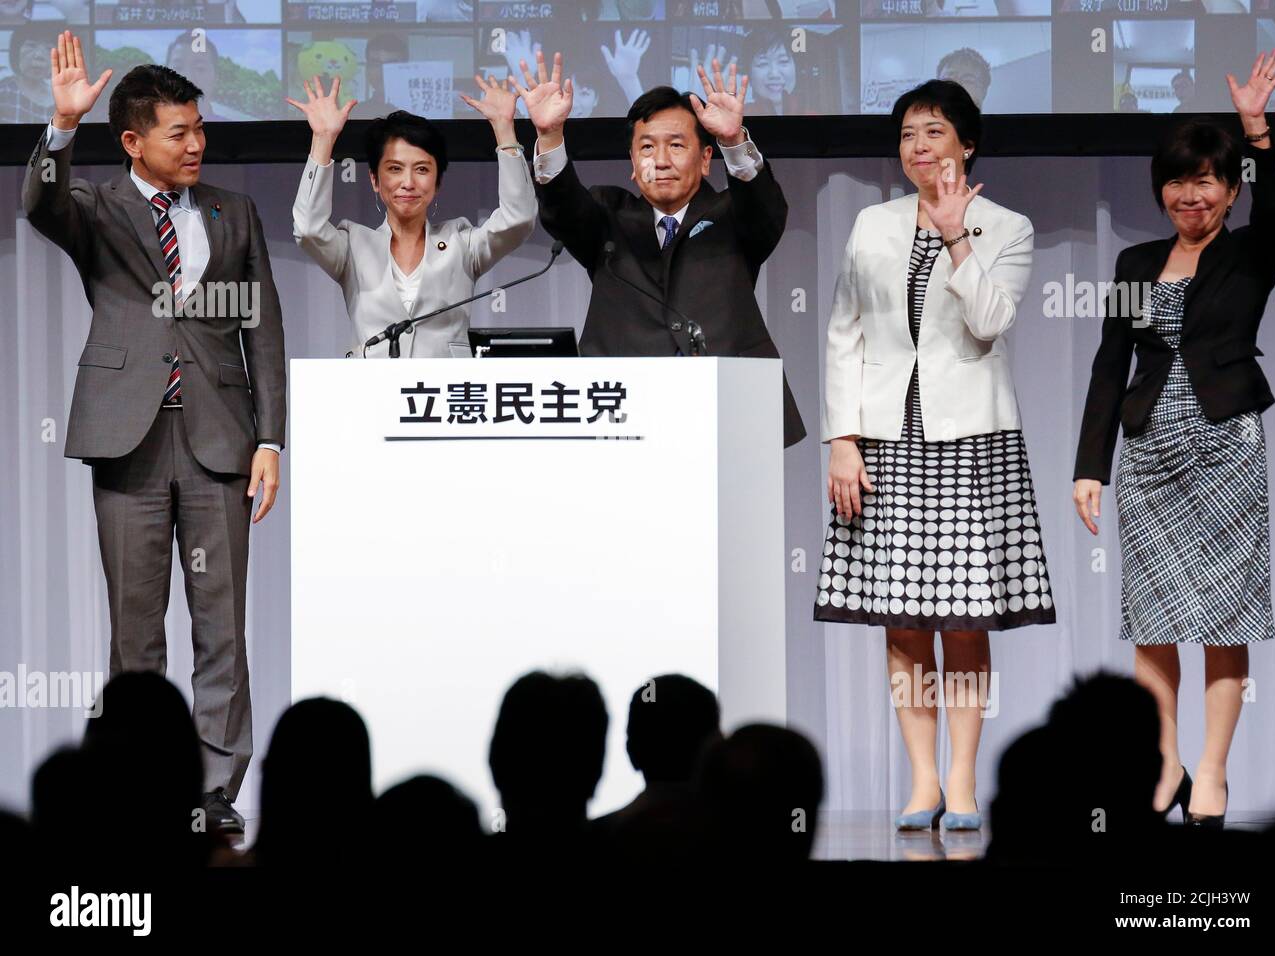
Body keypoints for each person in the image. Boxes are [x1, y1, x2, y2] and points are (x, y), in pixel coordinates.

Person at [22, 32, 286, 835]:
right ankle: (139, 786)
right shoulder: (97, 209)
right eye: (180, 132)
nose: (198, 143)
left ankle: (212, 795)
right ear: (134, 140)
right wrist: (60, 129)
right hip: (127, 438)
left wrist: (271, 439)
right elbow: (39, 204)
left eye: (200, 129)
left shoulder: (233, 213)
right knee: (135, 630)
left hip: (219, 441)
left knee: (222, 628)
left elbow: (263, 332)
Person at [819, 79, 1054, 832]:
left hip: (970, 441)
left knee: (963, 620)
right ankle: (921, 779)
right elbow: (843, 335)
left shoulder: (1004, 226)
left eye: (934, 133)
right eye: (908, 136)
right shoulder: (871, 224)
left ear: (967, 144)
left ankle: (962, 780)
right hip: (886, 442)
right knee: (902, 621)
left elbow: (989, 323)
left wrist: (957, 235)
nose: (919, 148)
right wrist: (842, 440)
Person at [1073, 51, 1275, 829]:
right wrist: (1089, 467)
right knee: (1154, 617)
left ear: (1228, 190)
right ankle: (1165, 762)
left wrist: (1258, 133)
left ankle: (1216, 772)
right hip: (1148, 455)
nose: (1189, 195)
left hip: (1226, 445)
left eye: (1206, 181)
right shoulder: (1136, 262)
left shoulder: (1249, 248)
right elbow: (1110, 364)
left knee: (1225, 617)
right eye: (1177, 180)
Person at [517, 50, 806, 447]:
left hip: (727, 407)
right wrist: (549, 136)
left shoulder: (731, 215)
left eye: (676, 145)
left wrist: (733, 141)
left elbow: (765, 210)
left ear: (706, 159)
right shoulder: (608, 215)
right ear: (633, 163)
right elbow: (565, 209)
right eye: (648, 148)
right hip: (622, 412)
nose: (662, 160)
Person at [288, 73, 536, 357]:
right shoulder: (353, 246)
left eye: (422, 169)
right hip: (371, 394)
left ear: (437, 181)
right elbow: (308, 229)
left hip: (444, 394)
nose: (408, 182)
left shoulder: (462, 243)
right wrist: (323, 139)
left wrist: (505, 130)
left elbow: (519, 219)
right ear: (374, 180)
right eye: (394, 168)